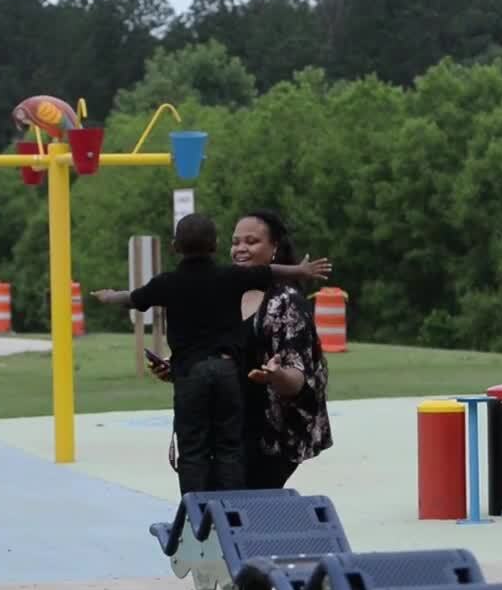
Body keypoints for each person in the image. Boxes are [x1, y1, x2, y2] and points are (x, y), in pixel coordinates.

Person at [93, 212, 331, 496]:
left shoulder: (283, 302)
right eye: (236, 241)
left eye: (251, 241)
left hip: (266, 434)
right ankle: (209, 507)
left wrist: (275, 374)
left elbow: (297, 377)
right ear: (217, 245)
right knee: (225, 459)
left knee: (195, 454)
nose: (241, 248)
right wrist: (173, 368)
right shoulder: (230, 281)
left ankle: (197, 505)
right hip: (224, 395)